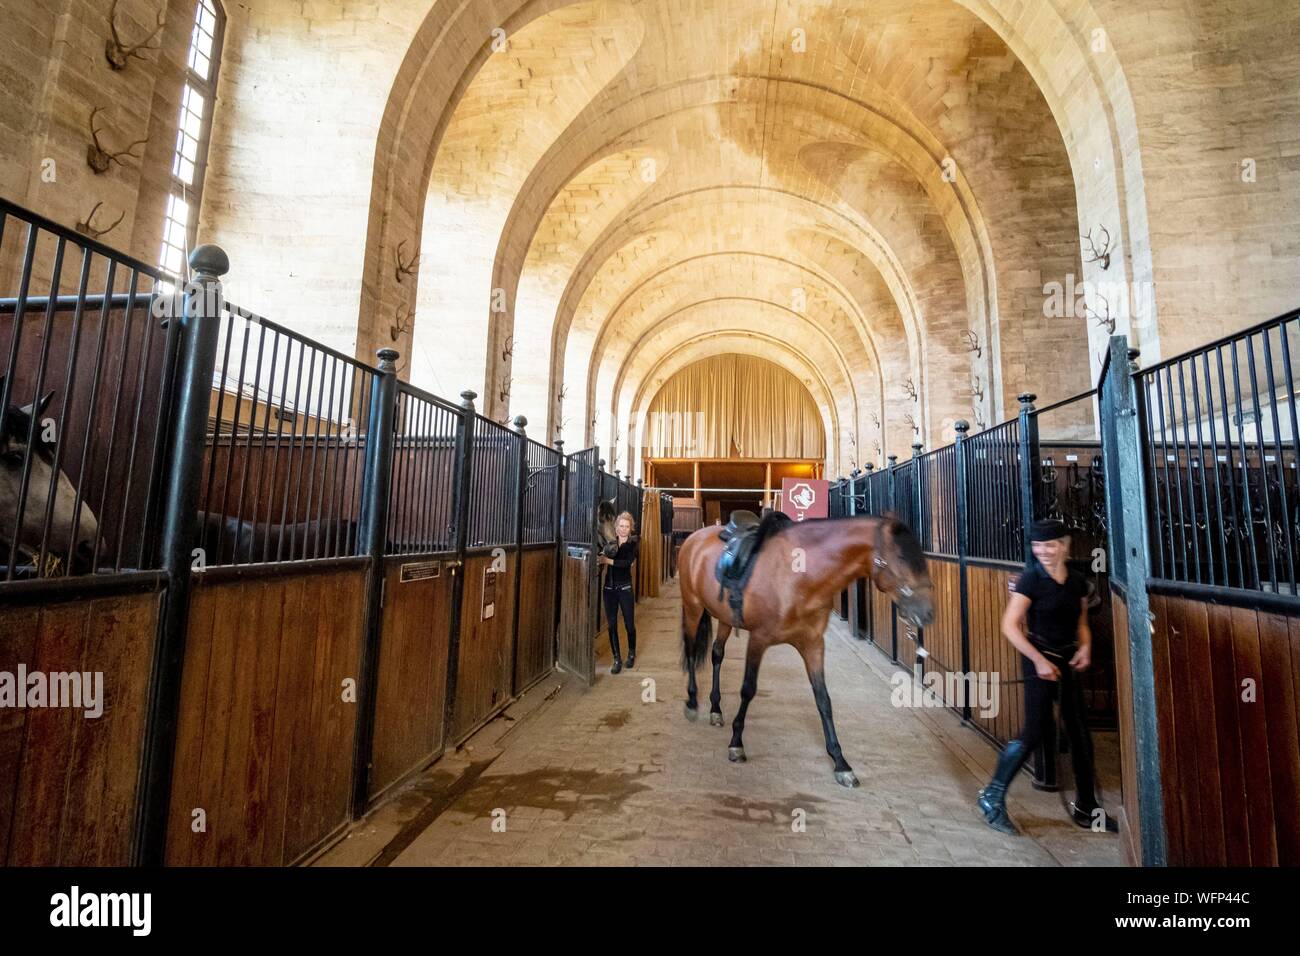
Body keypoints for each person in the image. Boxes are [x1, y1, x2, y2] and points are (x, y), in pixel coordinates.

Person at [977, 518, 1118, 834]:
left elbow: (1081, 622)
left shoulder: (1077, 582)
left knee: (1080, 734)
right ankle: (992, 796)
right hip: (1038, 659)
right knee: (1034, 731)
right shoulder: (1031, 581)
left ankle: (1087, 807)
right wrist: (1039, 661)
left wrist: (1085, 647)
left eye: (1050, 545)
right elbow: (1010, 627)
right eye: (1038, 546)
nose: (1043, 551)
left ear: (1064, 546)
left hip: (1068, 662)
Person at [598, 511, 639, 674]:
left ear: (631, 529)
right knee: (612, 624)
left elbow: (626, 563)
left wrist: (607, 561)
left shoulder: (632, 544)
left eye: (627, 527)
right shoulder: (610, 543)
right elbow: (602, 555)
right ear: (616, 527)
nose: (623, 529)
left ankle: (631, 653)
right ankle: (617, 659)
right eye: (621, 526)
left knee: (629, 624)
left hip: (625, 588)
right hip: (609, 589)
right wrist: (600, 558)